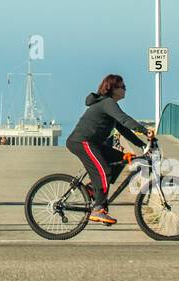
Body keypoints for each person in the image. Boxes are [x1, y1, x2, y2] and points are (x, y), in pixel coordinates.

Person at [65, 74, 153, 226]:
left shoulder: (109, 105)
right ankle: (98, 209)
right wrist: (145, 131)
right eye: (123, 87)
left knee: (122, 158)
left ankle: (92, 189)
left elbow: (124, 129)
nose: (126, 89)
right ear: (113, 89)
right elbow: (125, 119)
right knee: (104, 171)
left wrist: (142, 144)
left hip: (94, 143)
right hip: (82, 142)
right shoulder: (107, 103)